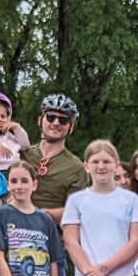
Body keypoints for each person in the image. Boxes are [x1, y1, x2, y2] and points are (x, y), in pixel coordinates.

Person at [63, 141, 138, 276]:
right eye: (95, 161)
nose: (101, 166)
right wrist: (91, 274)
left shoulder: (131, 200)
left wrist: (105, 269)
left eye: (106, 161)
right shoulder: (76, 200)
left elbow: (136, 240)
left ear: (116, 166)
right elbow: (71, 241)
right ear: (86, 166)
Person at [21, 93, 91, 222]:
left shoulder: (76, 168)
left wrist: (36, 215)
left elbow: (77, 211)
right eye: (50, 117)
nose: (56, 123)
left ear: (71, 127)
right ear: (40, 120)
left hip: (51, 237)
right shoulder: (21, 154)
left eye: (63, 120)